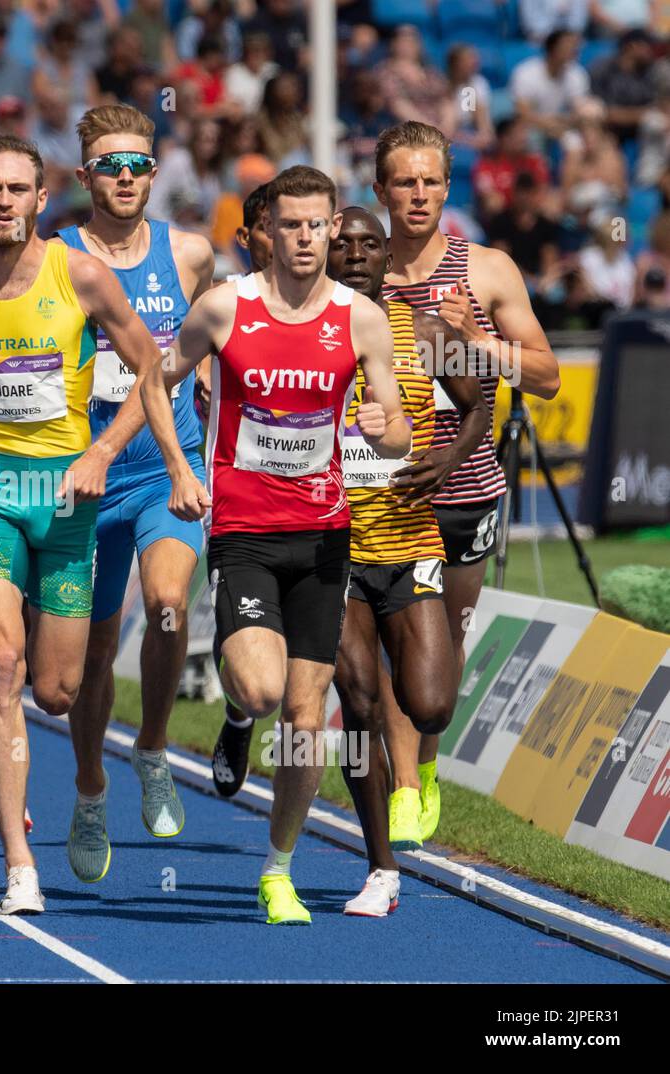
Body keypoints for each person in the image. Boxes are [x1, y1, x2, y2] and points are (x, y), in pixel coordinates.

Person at [141, 165, 411, 925]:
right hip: (245, 534)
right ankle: (235, 715)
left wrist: (384, 430)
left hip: (325, 538)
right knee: (261, 691)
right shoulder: (226, 308)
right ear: (267, 230)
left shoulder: (360, 318)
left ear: (333, 228)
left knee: (304, 717)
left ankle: (279, 868)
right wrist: (177, 467)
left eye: (315, 225)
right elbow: (156, 381)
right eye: (288, 225)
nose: (303, 238)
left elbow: (394, 421)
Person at [0, 135, 165, 913]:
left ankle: (90, 780)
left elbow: (151, 368)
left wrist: (105, 452)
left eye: (18, 190)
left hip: (66, 498)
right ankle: (19, 863)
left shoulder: (80, 275)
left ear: (41, 198)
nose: (4, 203)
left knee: (55, 690)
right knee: (3, 662)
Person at [374, 120, 560, 847]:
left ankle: (429, 756)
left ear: (447, 188)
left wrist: (476, 341)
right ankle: (404, 784)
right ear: (382, 189)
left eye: (430, 181)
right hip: (389, 490)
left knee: (445, 636)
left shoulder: (486, 270)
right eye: (404, 181)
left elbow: (543, 377)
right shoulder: (357, 270)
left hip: (470, 488)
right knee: (402, 636)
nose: (418, 194)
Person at [52, 105, 214, 883]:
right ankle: (90, 787)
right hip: (81, 484)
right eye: (109, 166)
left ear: (156, 172)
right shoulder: (54, 259)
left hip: (163, 470)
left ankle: (152, 746)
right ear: (84, 177)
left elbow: (201, 334)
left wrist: (205, 378)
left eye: (137, 165)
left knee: (169, 605)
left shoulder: (189, 253)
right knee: (89, 655)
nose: (124, 178)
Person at [326, 206, 490, 916]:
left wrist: (449, 459)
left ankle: (413, 778)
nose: (356, 254)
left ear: (387, 257)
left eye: (369, 245)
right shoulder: (304, 332)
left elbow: (479, 404)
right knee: (358, 703)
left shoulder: (423, 331)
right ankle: (380, 869)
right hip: (331, 549)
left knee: (429, 703)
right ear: (324, 254)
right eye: (343, 244)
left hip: (410, 540)